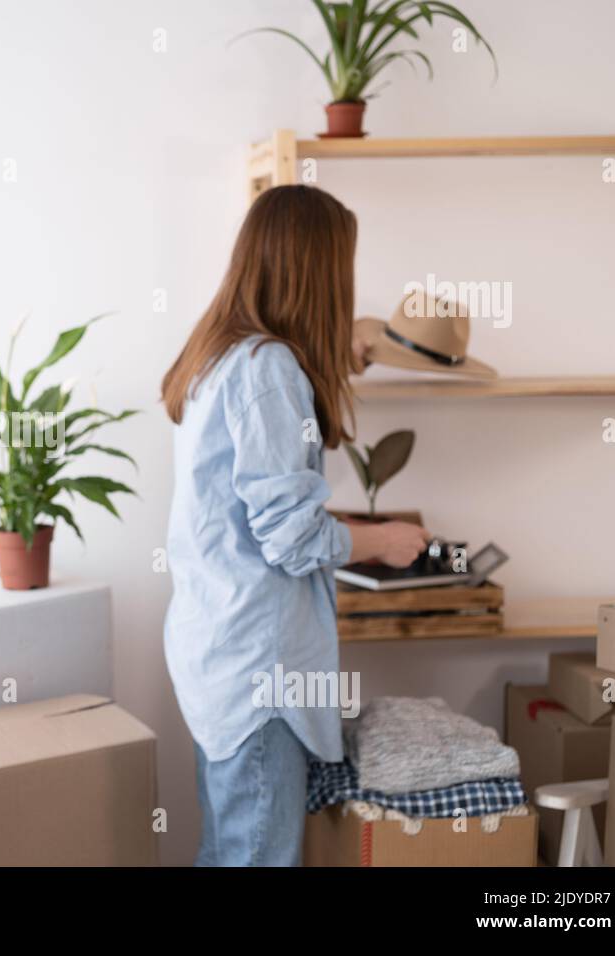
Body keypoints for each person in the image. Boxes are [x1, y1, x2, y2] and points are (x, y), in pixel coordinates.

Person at [159, 184, 431, 866]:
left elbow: (254, 509)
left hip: (218, 649)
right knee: (256, 854)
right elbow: (290, 538)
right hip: (258, 668)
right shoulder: (269, 369)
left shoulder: (222, 356)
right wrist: (384, 541)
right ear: (317, 270)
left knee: (228, 847)